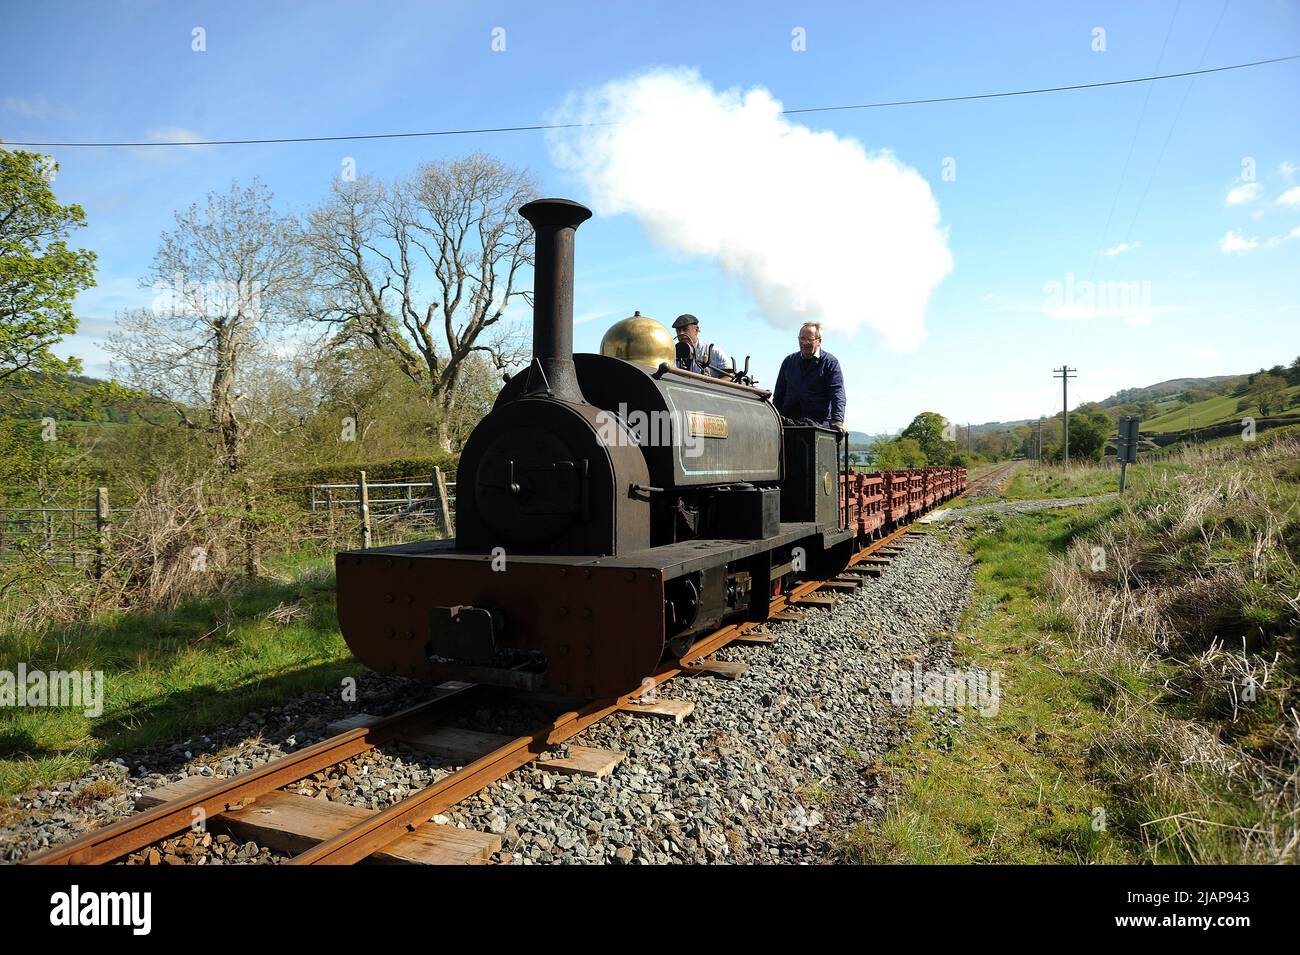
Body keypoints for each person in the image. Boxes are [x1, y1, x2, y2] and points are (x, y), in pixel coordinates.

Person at [772, 322, 846, 432]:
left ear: (819, 341)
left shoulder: (830, 363)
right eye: (802, 339)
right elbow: (779, 394)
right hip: (789, 424)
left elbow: (837, 393)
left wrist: (838, 420)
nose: (805, 343)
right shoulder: (789, 361)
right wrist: (774, 417)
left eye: (809, 339)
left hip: (819, 426)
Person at [672, 314, 731, 379]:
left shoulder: (714, 352)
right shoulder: (672, 353)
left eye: (685, 329)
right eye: (678, 330)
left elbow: (728, 376)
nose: (681, 333)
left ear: (696, 330)